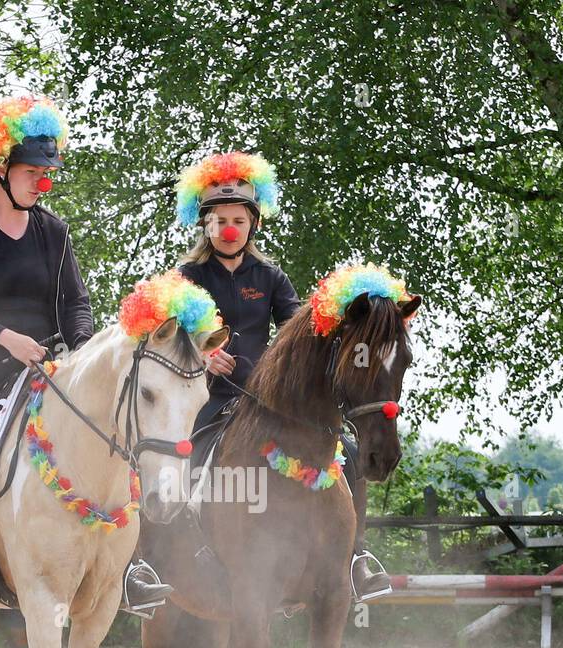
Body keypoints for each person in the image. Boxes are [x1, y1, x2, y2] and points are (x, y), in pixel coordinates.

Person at [0, 96, 170, 619]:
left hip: (47, 368)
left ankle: (133, 565)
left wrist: (79, 347)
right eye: (32, 172)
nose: (42, 183)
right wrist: (6, 338)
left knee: (118, 431)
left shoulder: (54, 231)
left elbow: (77, 301)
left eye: (48, 174)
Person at [156, 150, 392, 601]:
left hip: (266, 403)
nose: (229, 229)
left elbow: (301, 340)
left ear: (254, 224)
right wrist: (201, 358)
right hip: (202, 400)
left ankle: (356, 557)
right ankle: (157, 560)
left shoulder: (272, 277)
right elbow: (163, 342)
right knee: (175, 459)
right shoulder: (184, 279)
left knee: (351, 451)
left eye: (238, 221)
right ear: (204, 224)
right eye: (220, 220)